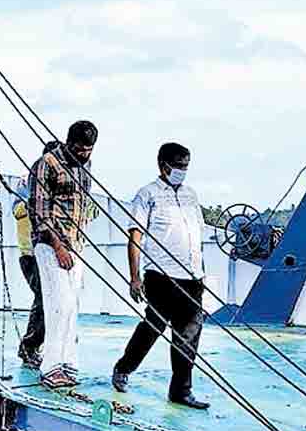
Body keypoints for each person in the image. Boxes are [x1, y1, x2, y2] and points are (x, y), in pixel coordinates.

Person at [112, 142, 210, 409]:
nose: (182, 171)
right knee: (153, 327)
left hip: (192, 278)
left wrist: (202, 273)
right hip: (160, 276)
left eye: (186, 167)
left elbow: (197, 236)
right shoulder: (147, 195)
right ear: (162, 165)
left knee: (188, 335)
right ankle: (124, 367)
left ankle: (180, 391)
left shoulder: (191, 195)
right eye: (178, 166)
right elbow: (135, 237)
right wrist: (134, 277)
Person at [27, 123, 98, 389]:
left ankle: (67, 363)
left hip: (76, 245)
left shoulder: (85, 166)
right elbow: (39, 211)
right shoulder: (47, 164)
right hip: (50, 245)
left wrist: (77, 245)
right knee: (60, 304)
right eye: (79, 150)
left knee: (72, 308)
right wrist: (59, 246)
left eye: (88, 151)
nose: (83, 155)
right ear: (68, 143)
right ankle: (51, 368)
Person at [14, 195, 43, 368]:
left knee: (46, 301)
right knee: (43, 300)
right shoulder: (26, 186)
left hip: (43, 254)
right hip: (31, 256)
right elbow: (19, 210)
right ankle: (29, 347)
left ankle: (33, 346)